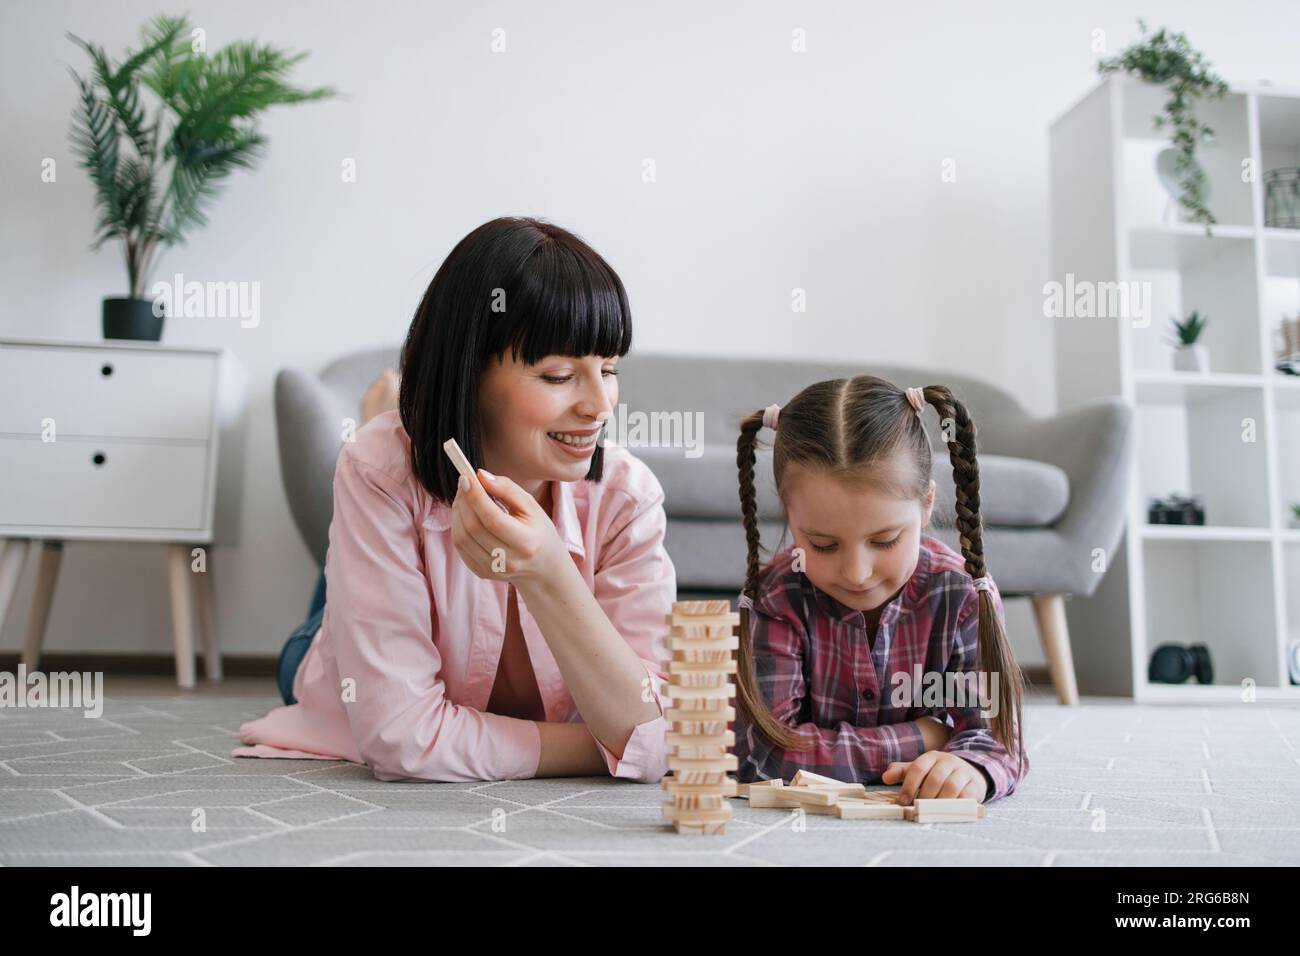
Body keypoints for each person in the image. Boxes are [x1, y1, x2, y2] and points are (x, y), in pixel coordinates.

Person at [235, 216, 676, 783]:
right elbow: (402, 738)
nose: (600, 405)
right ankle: (388, 428)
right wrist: (604, 748)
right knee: (325, 619)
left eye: (609, 370)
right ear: (470, 372)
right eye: (560, 375)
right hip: (324, 657)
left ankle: (388, 422)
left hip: (403, 503)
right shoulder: (378, 469)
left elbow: (659, 735)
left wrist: (548, 573)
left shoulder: (626, 497)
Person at [731, 377, 1029, 803]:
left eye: (885, 540)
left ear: (926, 505)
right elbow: (761, 753)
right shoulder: (777, 596)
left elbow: (996, 741)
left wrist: (969, 771)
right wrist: (925, 738)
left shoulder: (961, 595)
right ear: (789, 515)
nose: (856, 573)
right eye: (822, 544)